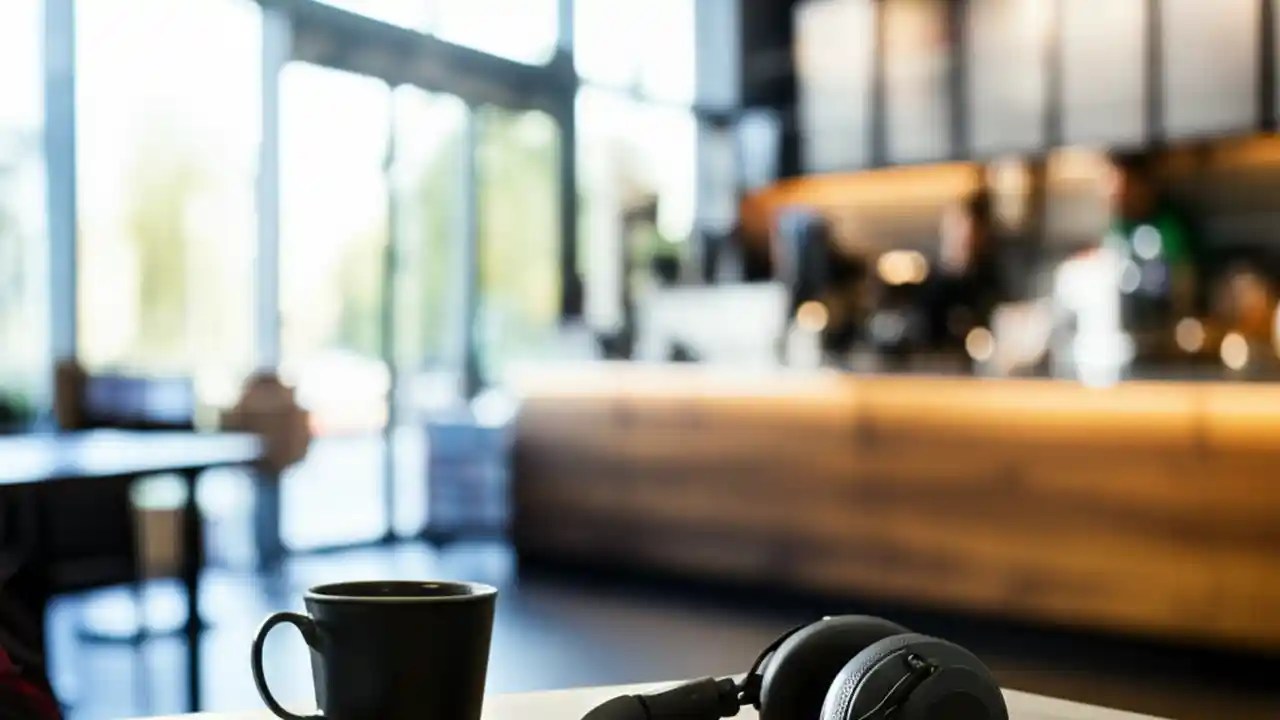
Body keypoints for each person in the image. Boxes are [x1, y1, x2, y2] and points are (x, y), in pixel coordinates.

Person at [1103, 151, 1200, 350]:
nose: (1113, 192)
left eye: (1122, 183)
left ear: (1143, 184)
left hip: (1166, 337)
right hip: (1122, 337)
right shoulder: (1116, 228)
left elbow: (1185, 284)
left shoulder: (1169, 225)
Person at [922, 189, 1004, 350]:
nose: (964, 236)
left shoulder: (989, 281)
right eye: (957, 227)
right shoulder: (929, 289)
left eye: (971, 228)